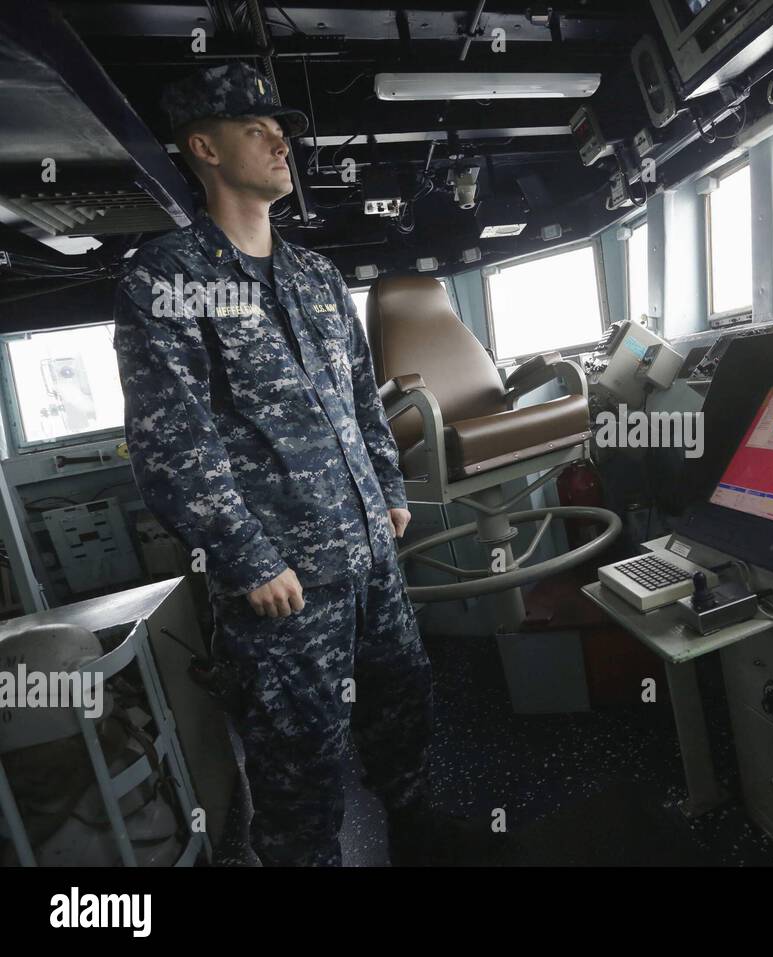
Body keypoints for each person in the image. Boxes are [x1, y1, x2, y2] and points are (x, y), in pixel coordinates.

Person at [114, 62, 450, 866]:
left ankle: (427, 840)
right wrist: (247, 558)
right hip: (284, 582)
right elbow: (172, 443)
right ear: (204, 146)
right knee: (299, 761)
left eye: (283, 128)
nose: (281, 141)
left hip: (370, 553)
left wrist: (389, 489)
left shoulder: (315, 275)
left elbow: (363, 401)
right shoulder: (168, 278)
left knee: (404, 711)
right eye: (255, 128)